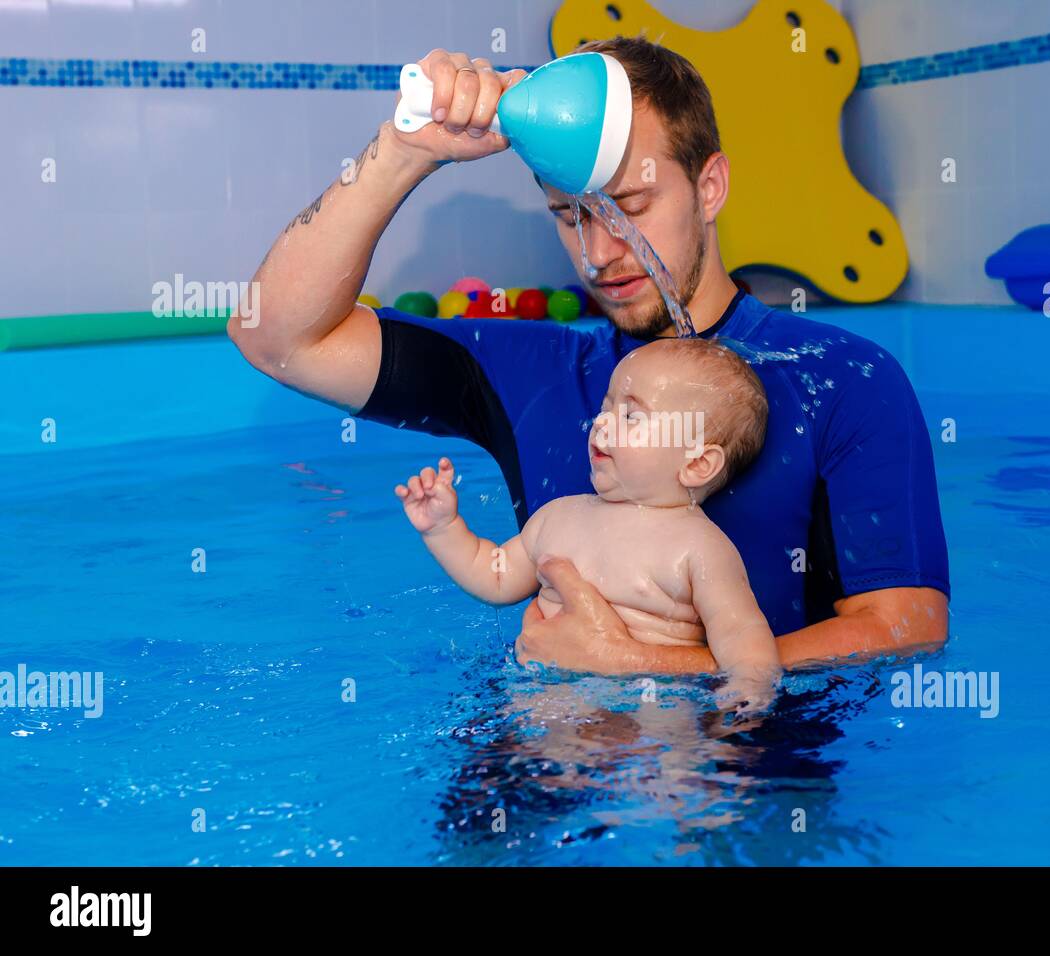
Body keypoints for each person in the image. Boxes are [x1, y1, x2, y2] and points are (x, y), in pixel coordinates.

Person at [228, 35, 950, 676]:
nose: (599, 253)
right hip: (543, 779)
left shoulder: (843, 378)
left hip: (751, 782)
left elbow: (906, 627)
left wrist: (645, 665)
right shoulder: (529, 373)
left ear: (710, 186)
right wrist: (405, 151)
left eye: (629, 207)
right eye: (567, 214)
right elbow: (273, 337)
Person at [395, 338, 780, 710]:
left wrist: (749, 686)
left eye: (631, 416)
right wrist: (443, 529)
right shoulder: (559, 516)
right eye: (605, 406)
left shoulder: (700, 547)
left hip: (651, 724)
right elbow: (494, 575)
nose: (601, 423)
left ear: (697, 463)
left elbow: (740, 633)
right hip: (548, 717)